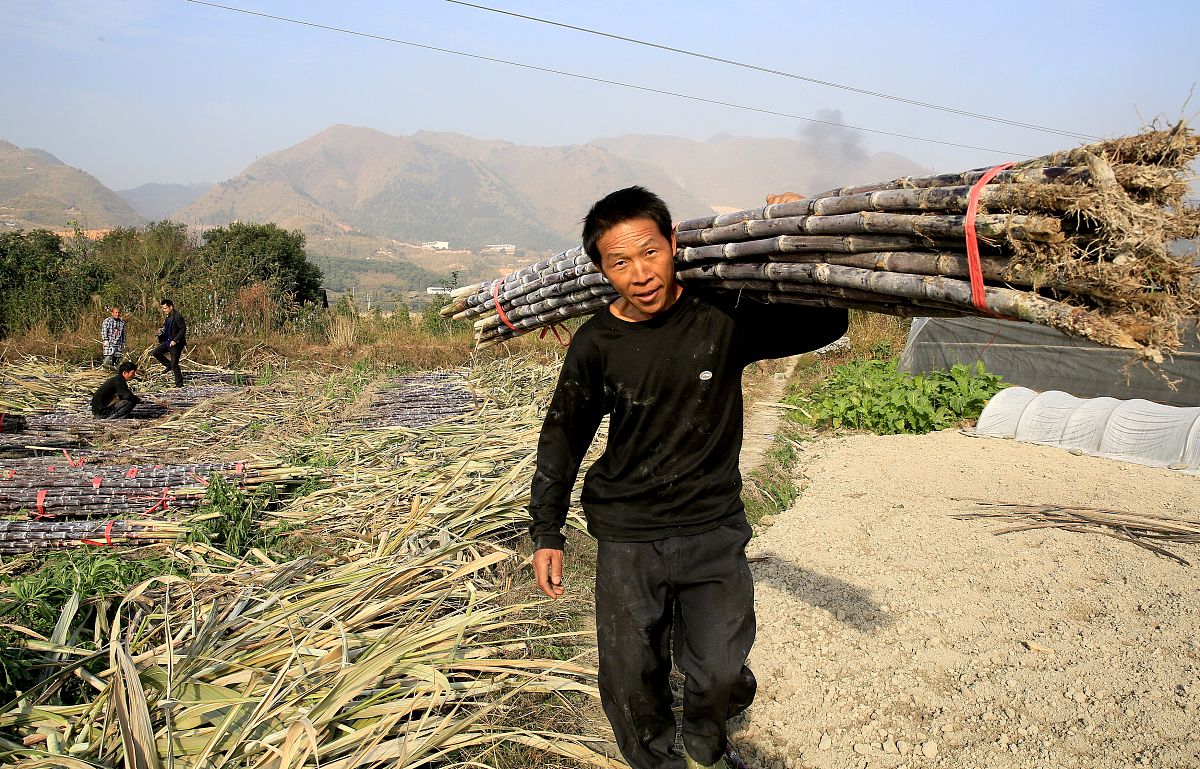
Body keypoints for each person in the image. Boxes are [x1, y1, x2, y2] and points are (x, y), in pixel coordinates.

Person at [529, 186, 849, 769]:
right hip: (629, 533)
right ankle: (656, 759)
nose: (640, 274)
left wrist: (804, 241)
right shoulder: (597, 343)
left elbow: (826, 324)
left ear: (673, 243)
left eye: (649, 252)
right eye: (619, 262)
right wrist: (547, 533)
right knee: (631, 674)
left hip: (712, 527)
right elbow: (562, 438)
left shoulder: (721, 317)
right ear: (601, 270)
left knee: (721, 668)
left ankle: (707, 740)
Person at [152, 298, 187, 388]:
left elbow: (183, 329)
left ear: (171, 307)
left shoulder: (177, 316)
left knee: (175, 364)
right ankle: (168, 365)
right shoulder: (168, 317)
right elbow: (167, 328)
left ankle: (179, 385)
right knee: (156, 352)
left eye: (165, 308)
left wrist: (175, 340)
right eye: (163, 308)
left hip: (176, 343)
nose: (164, 310)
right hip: (168, 341)